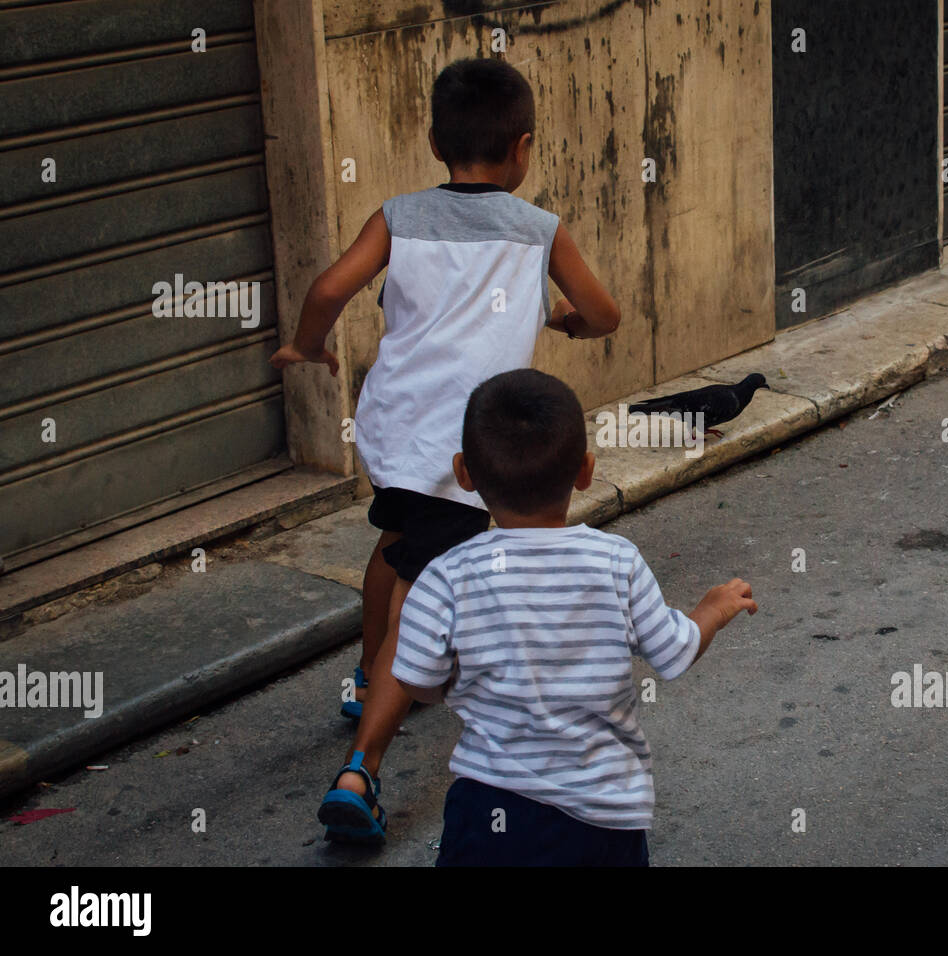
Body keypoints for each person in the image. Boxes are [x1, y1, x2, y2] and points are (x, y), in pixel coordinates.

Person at [269, 57, 620, 843]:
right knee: (422, 596)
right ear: (524, 148)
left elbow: (329, 288)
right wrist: (564, 322)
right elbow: (606, 314)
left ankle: (365, 679)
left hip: (394, 428)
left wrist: (307, 347)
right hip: (471, 446)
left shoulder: (398, 215)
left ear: (434, 141)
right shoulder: (540, 232)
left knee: (398, 543)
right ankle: (362, 771)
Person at [390, 369, 757, 865]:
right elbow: (674, 651)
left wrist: (460, 679)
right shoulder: (616, 562)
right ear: (585, 471)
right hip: (602, 814)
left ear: (463, 474)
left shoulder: (445, 577)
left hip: (488, 812)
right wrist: (710, 611)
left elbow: (414, 680)